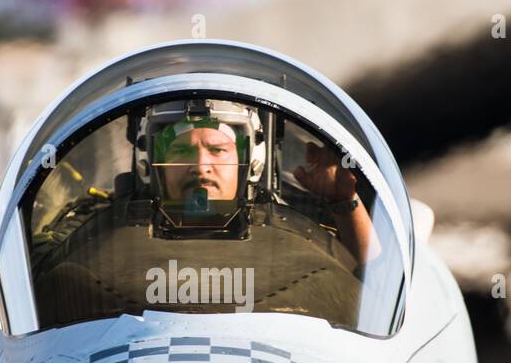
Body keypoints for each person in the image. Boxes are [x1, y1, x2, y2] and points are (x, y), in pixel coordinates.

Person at [138, 98, 380, 265]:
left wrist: (343, 202)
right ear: (151, 164)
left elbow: (371, 279)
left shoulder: (295, 234)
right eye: (181, 152)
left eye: (217, 150)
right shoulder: (112, 240)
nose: (201, 167)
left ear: (252, 159)